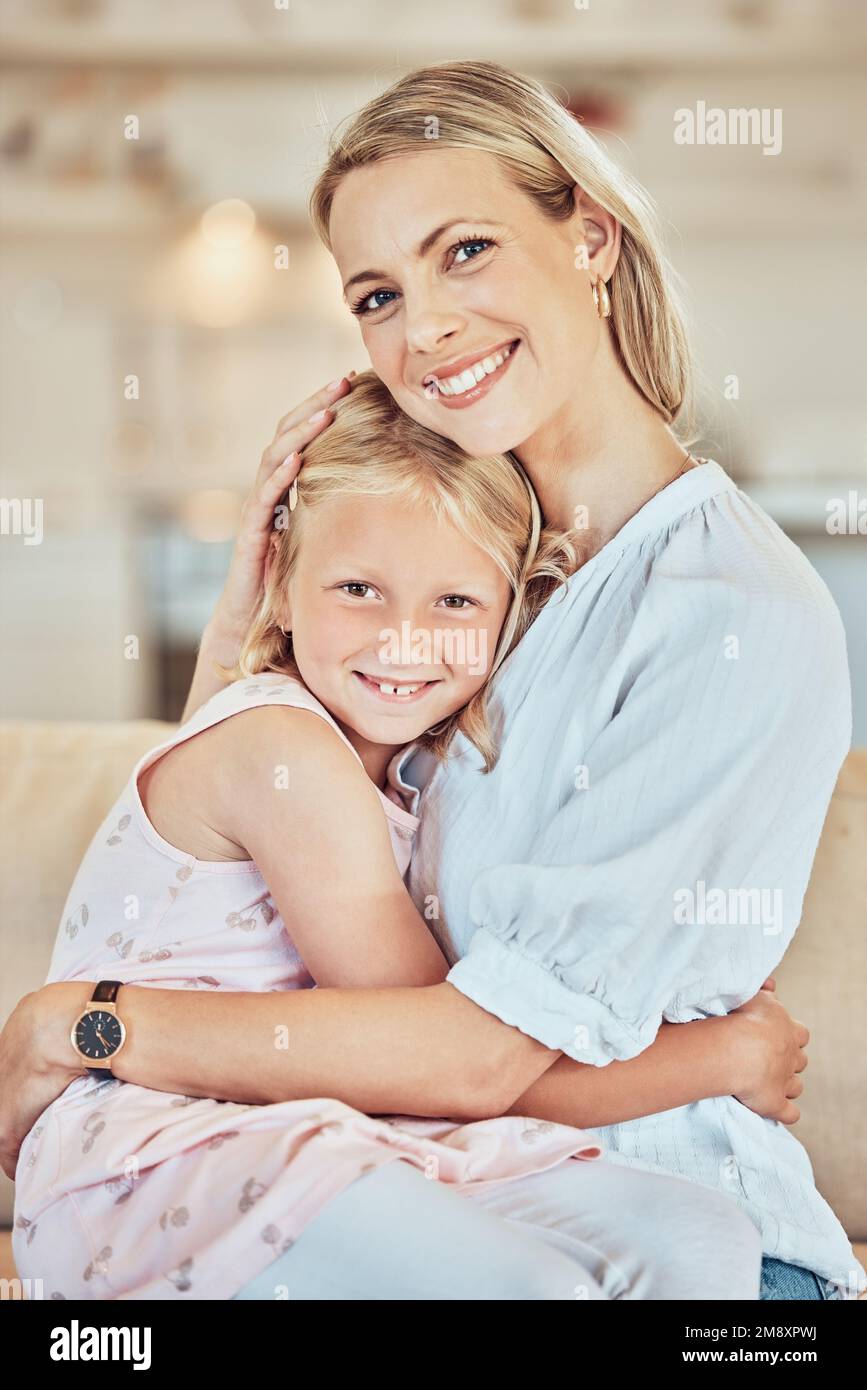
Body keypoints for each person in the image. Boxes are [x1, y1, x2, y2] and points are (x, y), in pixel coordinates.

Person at [2, 60, 861, 1300]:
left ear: (592, 239)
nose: (425, 329)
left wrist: (92, 1025)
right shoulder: (475, 582)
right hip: (415, 1196)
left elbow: (470, 1057)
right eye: (377, 295)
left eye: (466, 250)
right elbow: (229, 881)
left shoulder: (725, 610)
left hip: (677, 1233)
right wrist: (254, 626)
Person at [11, 374, 771, 1301]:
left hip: (319, 1128)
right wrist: (720, 1059)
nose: (403, 639)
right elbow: (445, 1062)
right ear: (280, 585)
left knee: (703, 1240)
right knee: (530, 1288)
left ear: (510, 614)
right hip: (159, 1156)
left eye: (454, 602)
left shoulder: (408, 766)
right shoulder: (282, 747)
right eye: (358, 587)